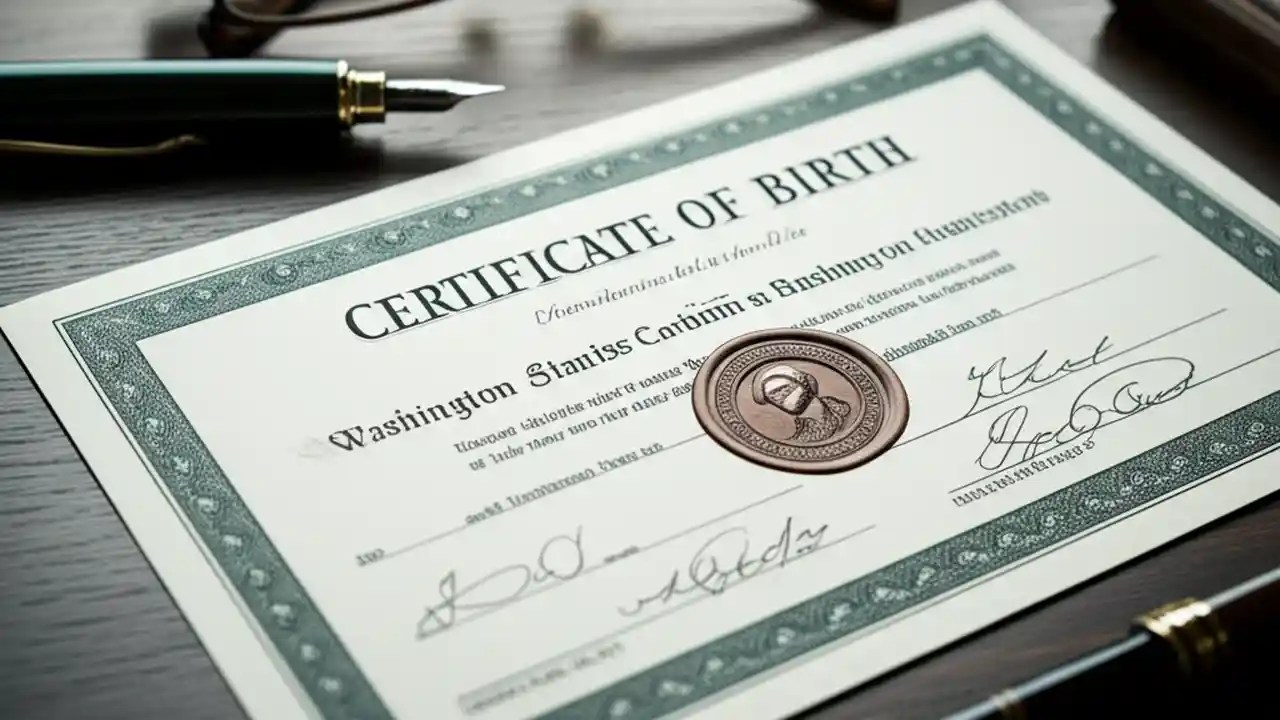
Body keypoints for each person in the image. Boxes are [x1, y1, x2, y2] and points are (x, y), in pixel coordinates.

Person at [750, 363, 851, 443]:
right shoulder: (802, 440)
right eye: (774, 397)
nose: (782, 399)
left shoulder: (842, 409)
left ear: (803, 382)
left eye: (785, 389)